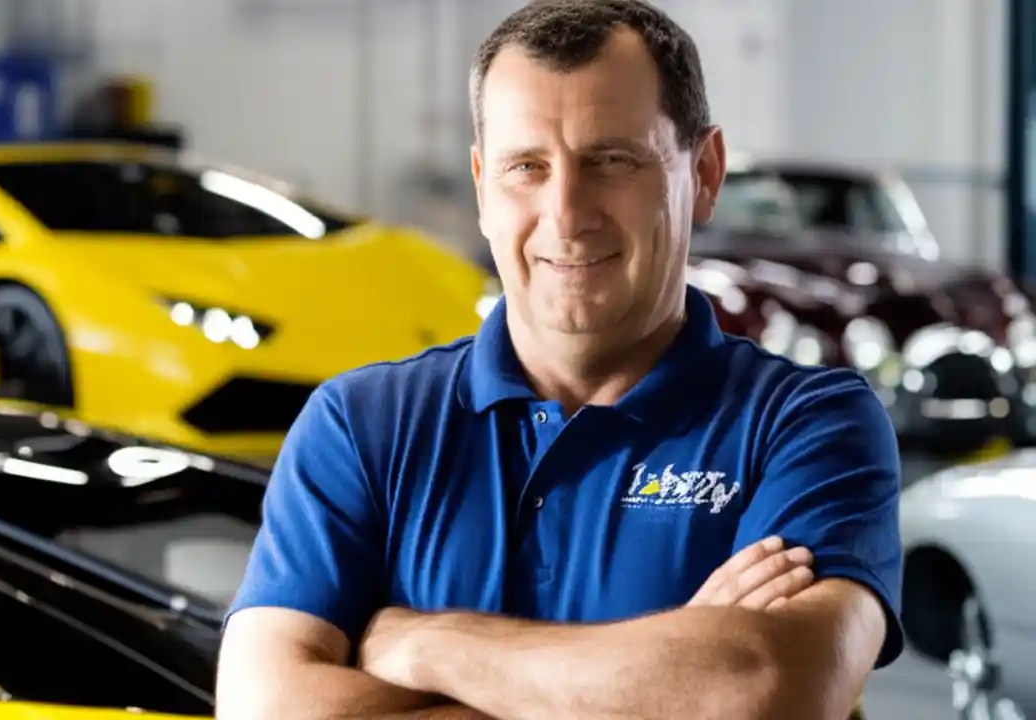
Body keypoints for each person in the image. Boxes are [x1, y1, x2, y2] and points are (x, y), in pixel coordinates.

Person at [217, 1, 903, 718]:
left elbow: (764, 691)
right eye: (527, 167)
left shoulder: (807, 426)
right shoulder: (363, 426)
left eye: (611, 160)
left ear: (703, 171)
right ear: (482, 185)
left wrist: (434, 646)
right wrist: (663, 680)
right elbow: (266, 707)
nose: (567, 212)